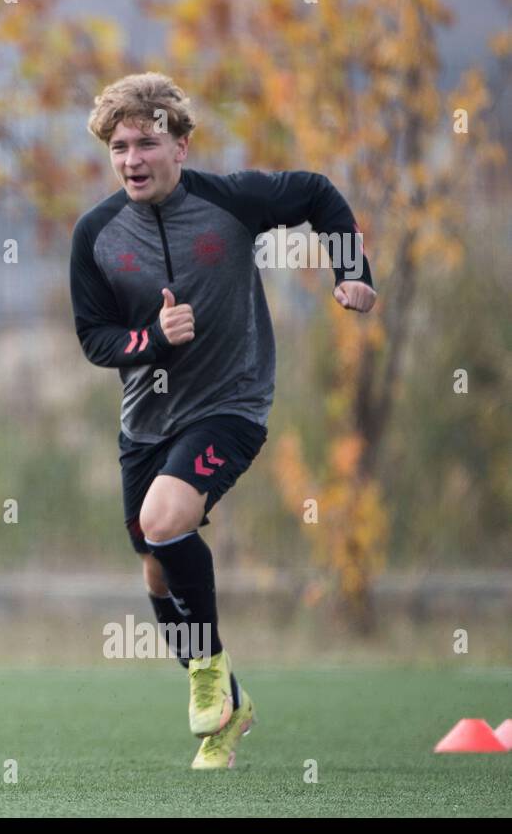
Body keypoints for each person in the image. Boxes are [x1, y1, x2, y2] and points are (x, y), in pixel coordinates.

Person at [69, 73, 376, 769]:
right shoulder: (95, 234)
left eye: (146, 142)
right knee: (155, 572)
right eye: (119, 147)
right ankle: (227, 713)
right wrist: (153, 338)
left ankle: (208, 667)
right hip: (145, 424)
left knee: (165, 519)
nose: (131, 159)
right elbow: (94, 337)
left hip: (231, 405)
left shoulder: (230, 202)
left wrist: (351, 270)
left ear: (181, 144)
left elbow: (318, 193)